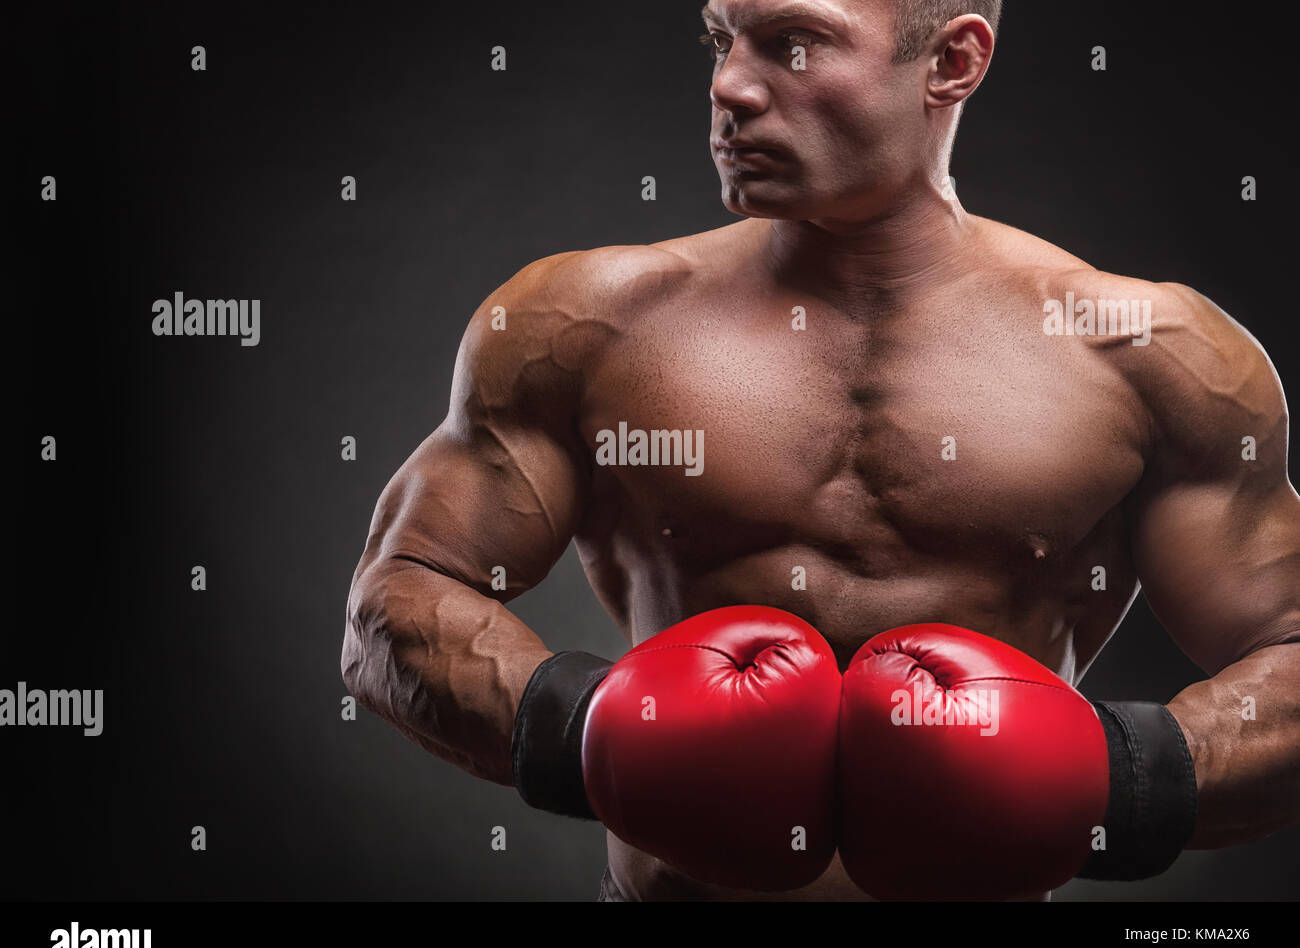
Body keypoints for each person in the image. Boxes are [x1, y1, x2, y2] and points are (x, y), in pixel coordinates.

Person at [340, 0, 1300, 900]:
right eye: (723, 39)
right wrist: (586, 725)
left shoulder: (1145, 352)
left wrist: (1122, 782)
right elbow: (398, 598)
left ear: (952, 62)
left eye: (793, 44)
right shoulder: (584, 324)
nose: (731, 87)